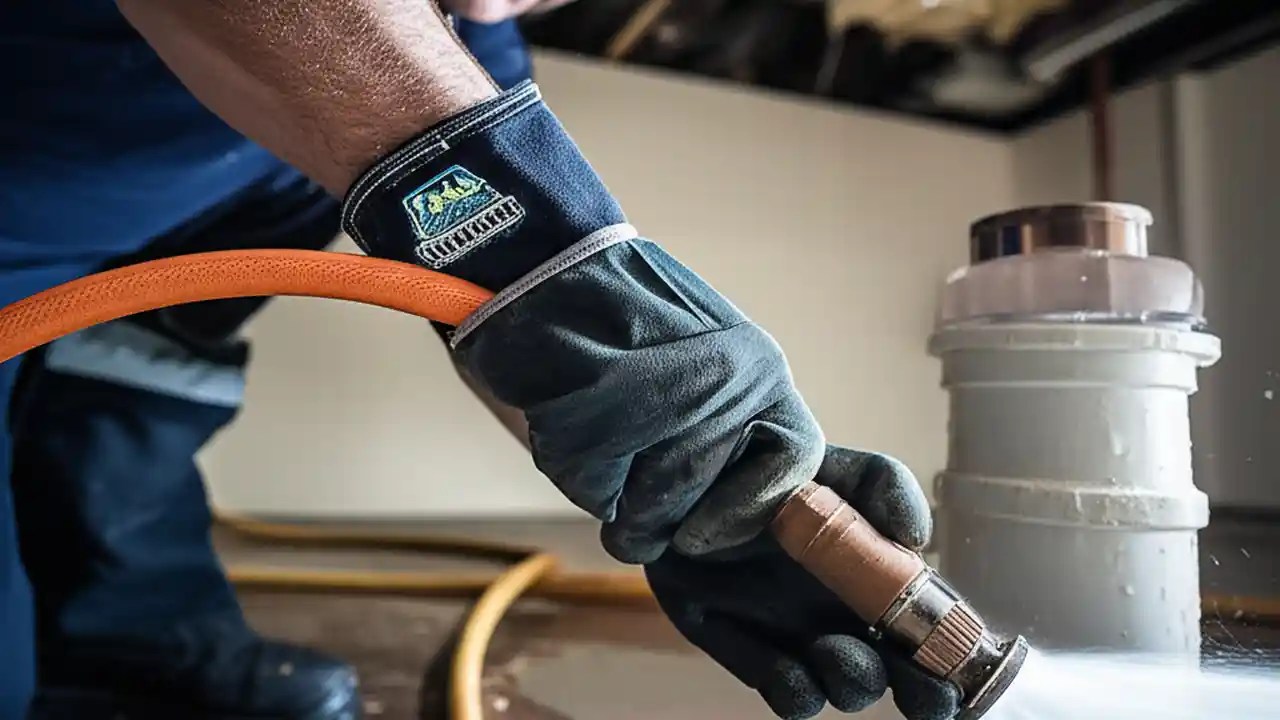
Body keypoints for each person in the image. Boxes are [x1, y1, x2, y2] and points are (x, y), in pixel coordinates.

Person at [0, 2, 957, 719]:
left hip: (100, 322)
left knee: (147, 369)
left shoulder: (469, 42)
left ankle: (118, 629)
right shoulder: (413, 66)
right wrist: (547, 246)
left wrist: (687, 488)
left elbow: (510, 329)